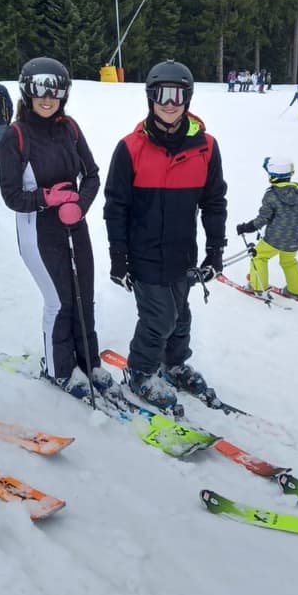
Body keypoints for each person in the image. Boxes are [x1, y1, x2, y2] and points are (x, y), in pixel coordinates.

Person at [103, 60, 228, 413]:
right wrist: (118, 255)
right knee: (159, 318)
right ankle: (141, 372)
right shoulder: (130, 148)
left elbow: (214, 202)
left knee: (181, 314)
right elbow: (116, 206)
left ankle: (173, 363)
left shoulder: (205, 147)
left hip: (181, 252)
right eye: (162, 94)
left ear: (187, 98)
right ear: (150, 98)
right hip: (144, 253)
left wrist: (215, 250)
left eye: (177, 95)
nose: (169, 103)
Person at [0, 57, 108, 397]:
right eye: (40, 91)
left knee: (83, 295)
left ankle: (89, 360)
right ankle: (59, 367)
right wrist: (48, 198)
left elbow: (91, 174)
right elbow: (12, 195)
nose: (47, 99)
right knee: (59, 300)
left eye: (55, 92)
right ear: (27, 92)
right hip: (38, 231)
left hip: (75, 226)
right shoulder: (13, 136)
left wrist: (79, 204)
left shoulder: (69, 128)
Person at [234, 156, 298, 301]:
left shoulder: (271, 195)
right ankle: (296, 290)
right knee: (289, 262)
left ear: (272, 177)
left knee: (259, 256)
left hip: (274, 239)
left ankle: (258, 287)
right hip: (294, 238)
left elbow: (263, 219)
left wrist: (247, 227)